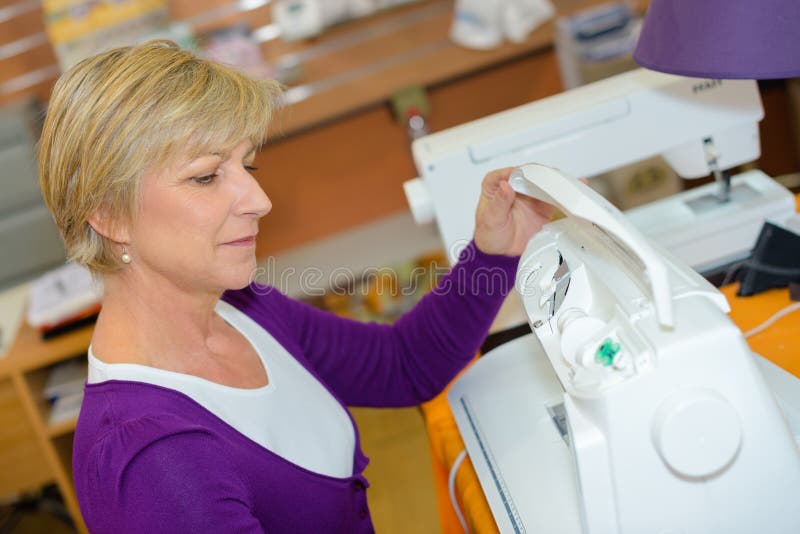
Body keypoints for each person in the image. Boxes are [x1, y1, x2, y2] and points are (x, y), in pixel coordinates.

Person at [37, 40, 554, 533]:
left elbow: (402, 365)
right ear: (109, 215)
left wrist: (493, 251)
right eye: (205, 177)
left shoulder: (243, 307)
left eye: (247, 165)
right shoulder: (151, 459)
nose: (258, 199)